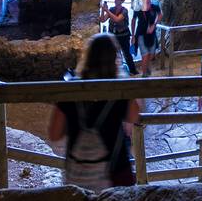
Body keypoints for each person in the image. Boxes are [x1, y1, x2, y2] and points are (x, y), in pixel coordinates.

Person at [48, 34, 138, 192]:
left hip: (78, 176)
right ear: (114, 58)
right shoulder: (120, 90)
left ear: (87, 56)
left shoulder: (70, 89)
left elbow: (54, 134)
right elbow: (133, 117)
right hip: (115, 170)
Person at [99, 0, 138, 75]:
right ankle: (113, 71)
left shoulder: (124, 10)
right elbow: (102, 20)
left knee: (126, 54)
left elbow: (117, 19)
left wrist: (107, 11)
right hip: (113, 35)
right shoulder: (112, 9)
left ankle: (133, 71)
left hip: (123, 35)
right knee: (112, 54)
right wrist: (103, 10)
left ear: (122, 0)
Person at [131, 0, 162, 76]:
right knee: (145, 54)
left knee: (151, 55)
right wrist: (133, 36)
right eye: (145, 1)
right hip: (140, 34)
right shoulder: (138, 8)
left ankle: (146, 67)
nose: (147, 3)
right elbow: (133, 21)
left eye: (149, 0)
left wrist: (154, 25)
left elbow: (160, 15)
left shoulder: (155, 7)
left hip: (152, 34)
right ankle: (144, 75)